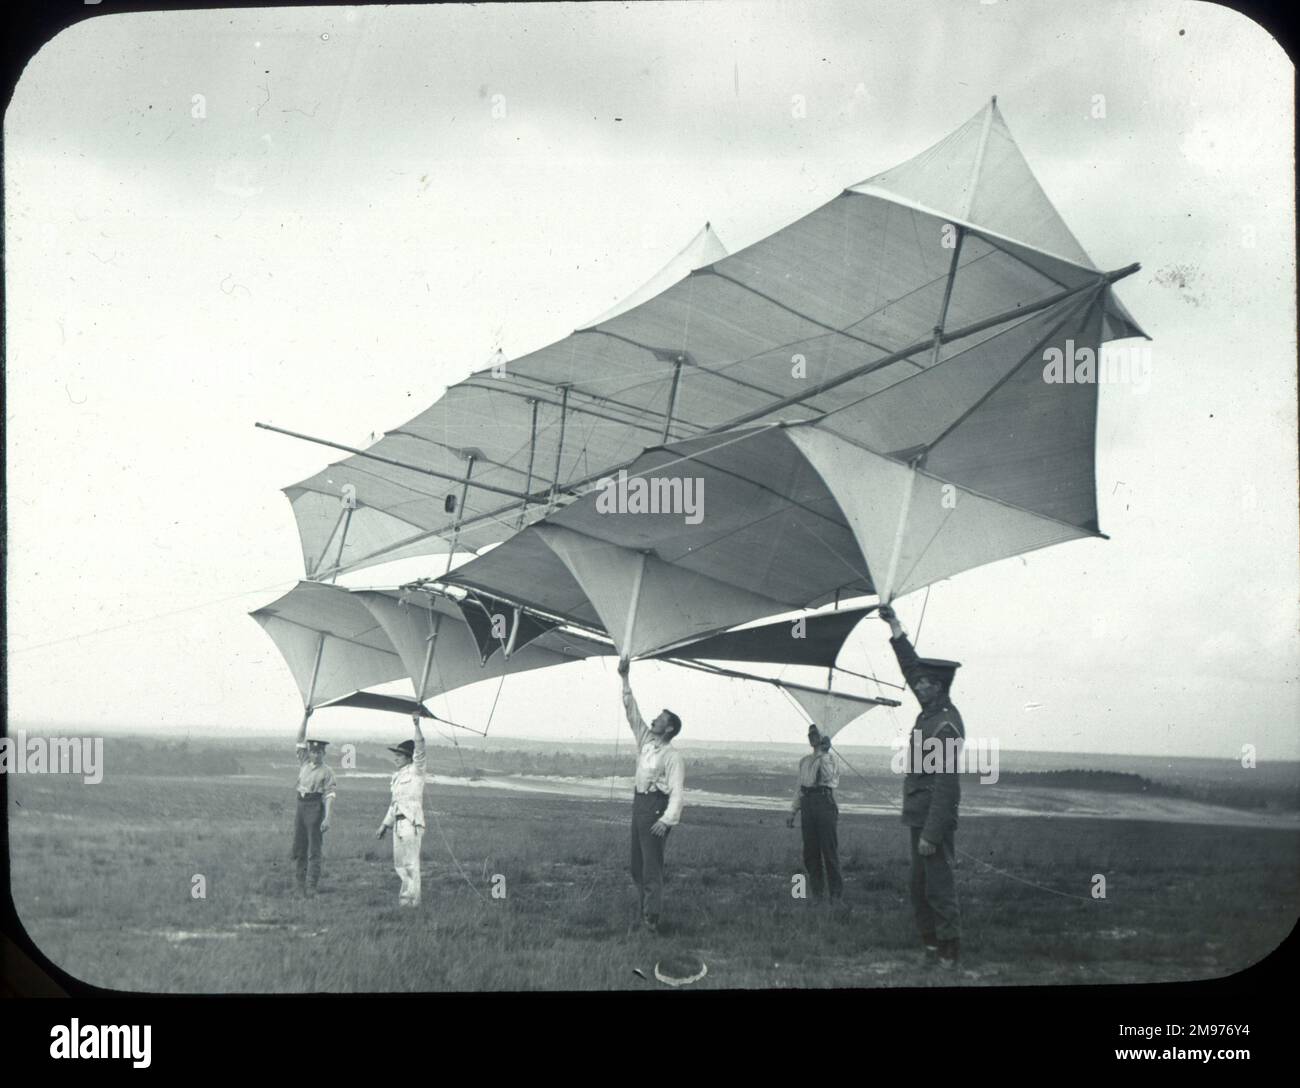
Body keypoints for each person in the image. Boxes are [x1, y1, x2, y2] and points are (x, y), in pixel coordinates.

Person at [879, 604, 964, 969]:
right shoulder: (930, 710)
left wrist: (932, 832)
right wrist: (895, 626)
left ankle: (949, 951)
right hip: (919, 815)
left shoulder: (945, 724)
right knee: (919, 886)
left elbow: (947, 786)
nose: (919, 685)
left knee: (937, 886)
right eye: (920, 683)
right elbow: (911, 666)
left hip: (932, 819)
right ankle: (930, 946)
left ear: (940, 686)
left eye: (926, 683)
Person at [618, 659, 685, 934]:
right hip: (640, 805)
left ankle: (651, 921)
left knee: (651, 867)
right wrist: (625, 678)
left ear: (668, 729)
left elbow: (678, 793)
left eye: (661, 719)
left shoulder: (673, 757)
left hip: (656, 810)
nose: (655, 719)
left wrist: (667, 820)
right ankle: (643, 912)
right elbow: (631, 711)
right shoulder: (646, 740)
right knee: (637, 865)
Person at [375, 714, 427, 908]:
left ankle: (413, 902)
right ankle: (405, 901)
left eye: (399, 756)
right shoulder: (397, 777)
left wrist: (417, 725)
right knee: (400, 865)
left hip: (411, 823)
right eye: (395, 756)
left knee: (412, 864)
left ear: (408, 757)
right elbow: (394, 803)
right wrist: (384, 825)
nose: (395, 759)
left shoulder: (416, 771)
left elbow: (420, 750)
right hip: (397, 823)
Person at [787, 724, 843, 902]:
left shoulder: (831, 759)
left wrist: (824, 753)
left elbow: (829, 778)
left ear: (822, 737)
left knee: (829, 850)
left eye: (815, 734)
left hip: (825, 803)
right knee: (810, 852)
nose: (811, 737)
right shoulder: (804, 761)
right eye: (810, 734)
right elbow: (800, 787)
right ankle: (817, 894)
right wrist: (793, 811)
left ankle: (836, 896)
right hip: (807, 805)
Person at [292, 710, 337, 898]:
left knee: (314, 849)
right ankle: (299, 885)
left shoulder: (327, 772)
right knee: (299, 847)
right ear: (309, 752)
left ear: (323, 753)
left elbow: (329, 796)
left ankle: (311, 886)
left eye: (319, 752)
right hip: (300, 806)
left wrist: (327, 817)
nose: (315, 755)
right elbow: (300, 738)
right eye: (313, 751)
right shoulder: (304, 762)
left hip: (314, 808)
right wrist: (305, 717)